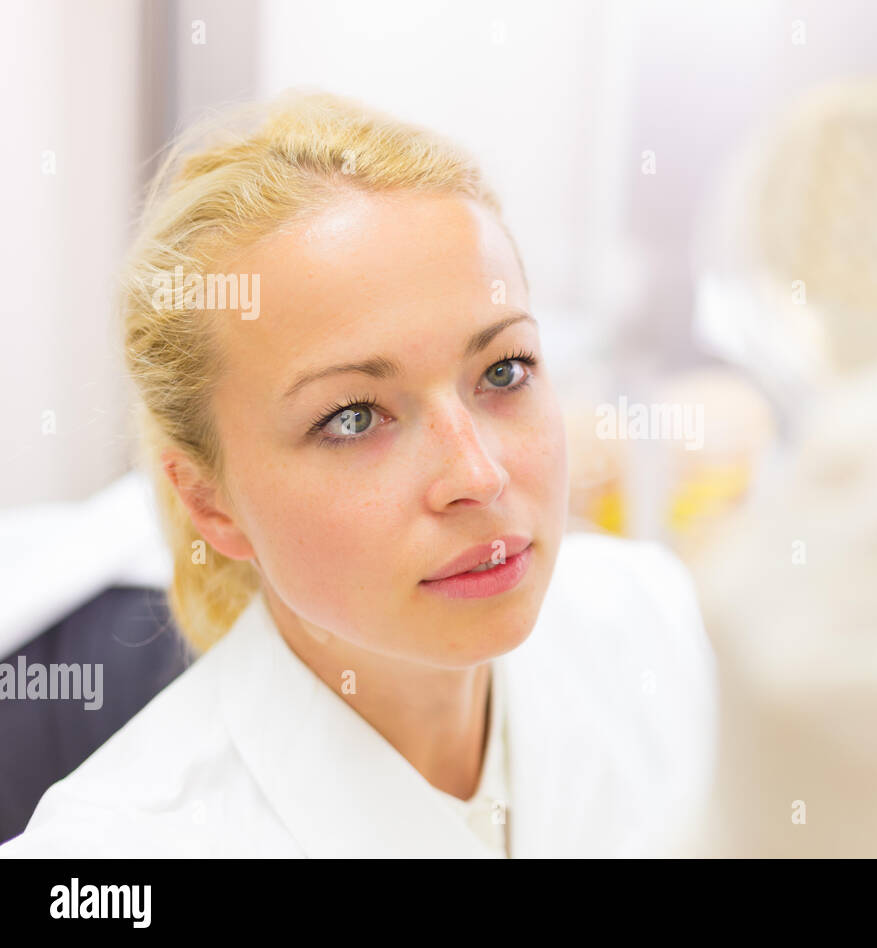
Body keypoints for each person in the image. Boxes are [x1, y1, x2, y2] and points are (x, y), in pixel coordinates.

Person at [0, 90, 717, 858]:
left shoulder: (648, 626)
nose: (478, 474)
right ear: (212, 506)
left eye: (504, 370)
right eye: (354, 418)